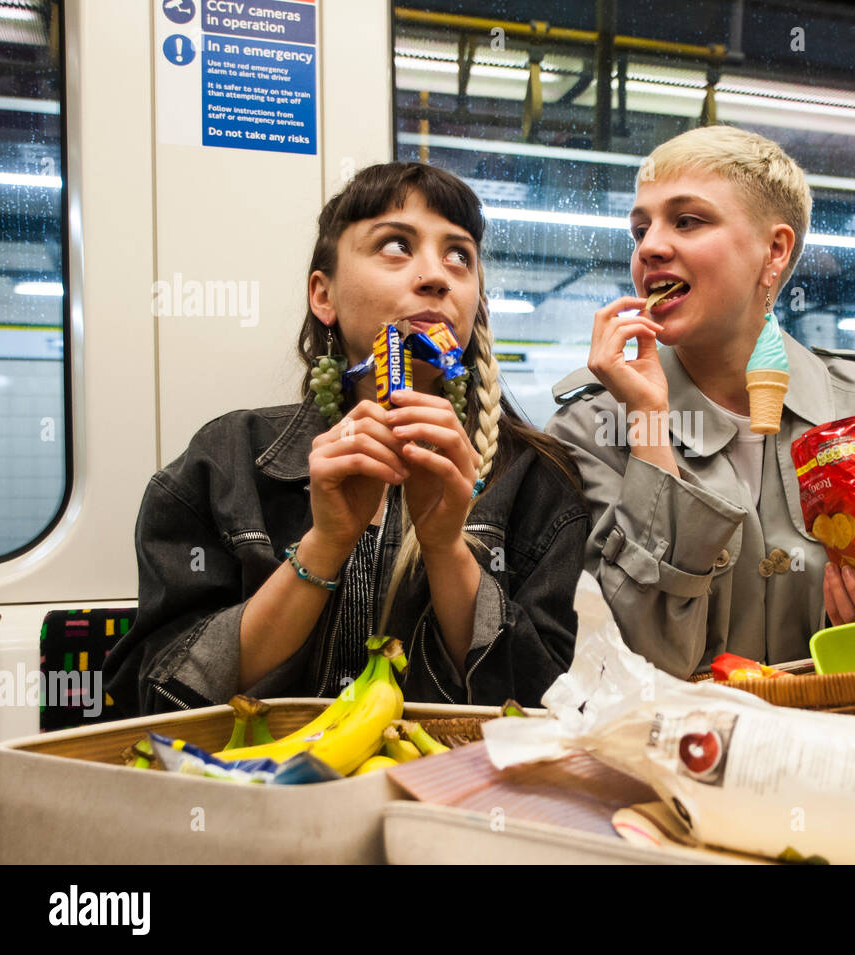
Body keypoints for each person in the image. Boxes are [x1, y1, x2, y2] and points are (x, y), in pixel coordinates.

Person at [104, 162, 590, 713]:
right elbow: (154, 698)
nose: (437, 275)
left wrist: (446, 549)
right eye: (396, 245)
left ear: (475, 303)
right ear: (323, 296)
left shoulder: (537, 480)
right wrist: (325, 545)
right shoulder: (225, 462)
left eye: (460, 254)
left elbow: (554, 708)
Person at [545, 125, 855, 679]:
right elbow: (637, 661)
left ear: (774, 251)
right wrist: (650, 427)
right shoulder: (589, 428)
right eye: (639, 228)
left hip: (846, 740)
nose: (649, 245)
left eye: (688, 220)